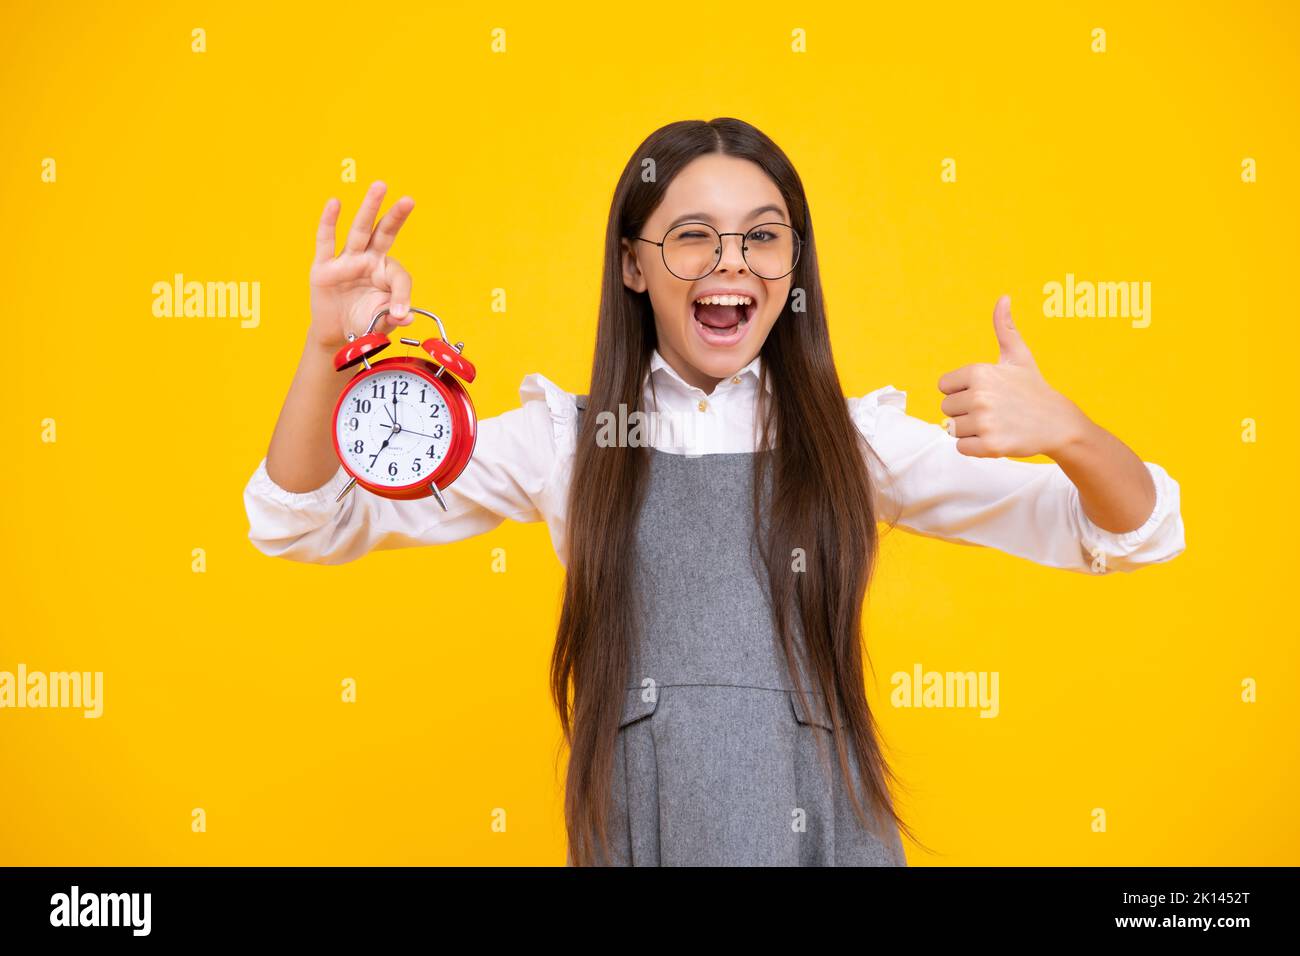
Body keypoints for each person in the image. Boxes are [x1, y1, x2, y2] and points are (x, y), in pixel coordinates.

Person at [243, 117, 1185, 866]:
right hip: (639, 834)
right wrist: (332, 353)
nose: (732, 264)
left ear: (792, 268)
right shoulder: (567, 443)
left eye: (763, 239)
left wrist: (1070, 432)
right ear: (632, 262)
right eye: (693, 238)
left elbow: (1131, 531)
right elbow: (304, 522)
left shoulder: (854, 445)